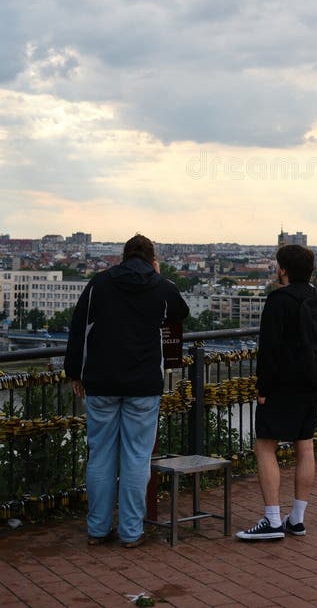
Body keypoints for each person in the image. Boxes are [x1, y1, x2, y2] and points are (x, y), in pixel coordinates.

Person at [64, 233, 189, 547]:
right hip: (143, 383)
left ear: (123, 256)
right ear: (151, 258)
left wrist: (74, 373)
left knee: (101, 456)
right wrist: (158, 277)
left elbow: (78, 327)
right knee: (136, 458)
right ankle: (132, 532)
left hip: (101, 381)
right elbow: (181, 312)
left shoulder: (99, 283)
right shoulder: (161, 286)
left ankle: (98, 529)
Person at [236, 244, 317, 541]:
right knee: (305, 445)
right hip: (313, 381)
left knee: (264, 445)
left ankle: (273, 519)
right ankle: (297, 518)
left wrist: (264, 387)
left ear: (283, 269)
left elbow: (269, 349)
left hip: (283, 384)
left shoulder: (279, 300)